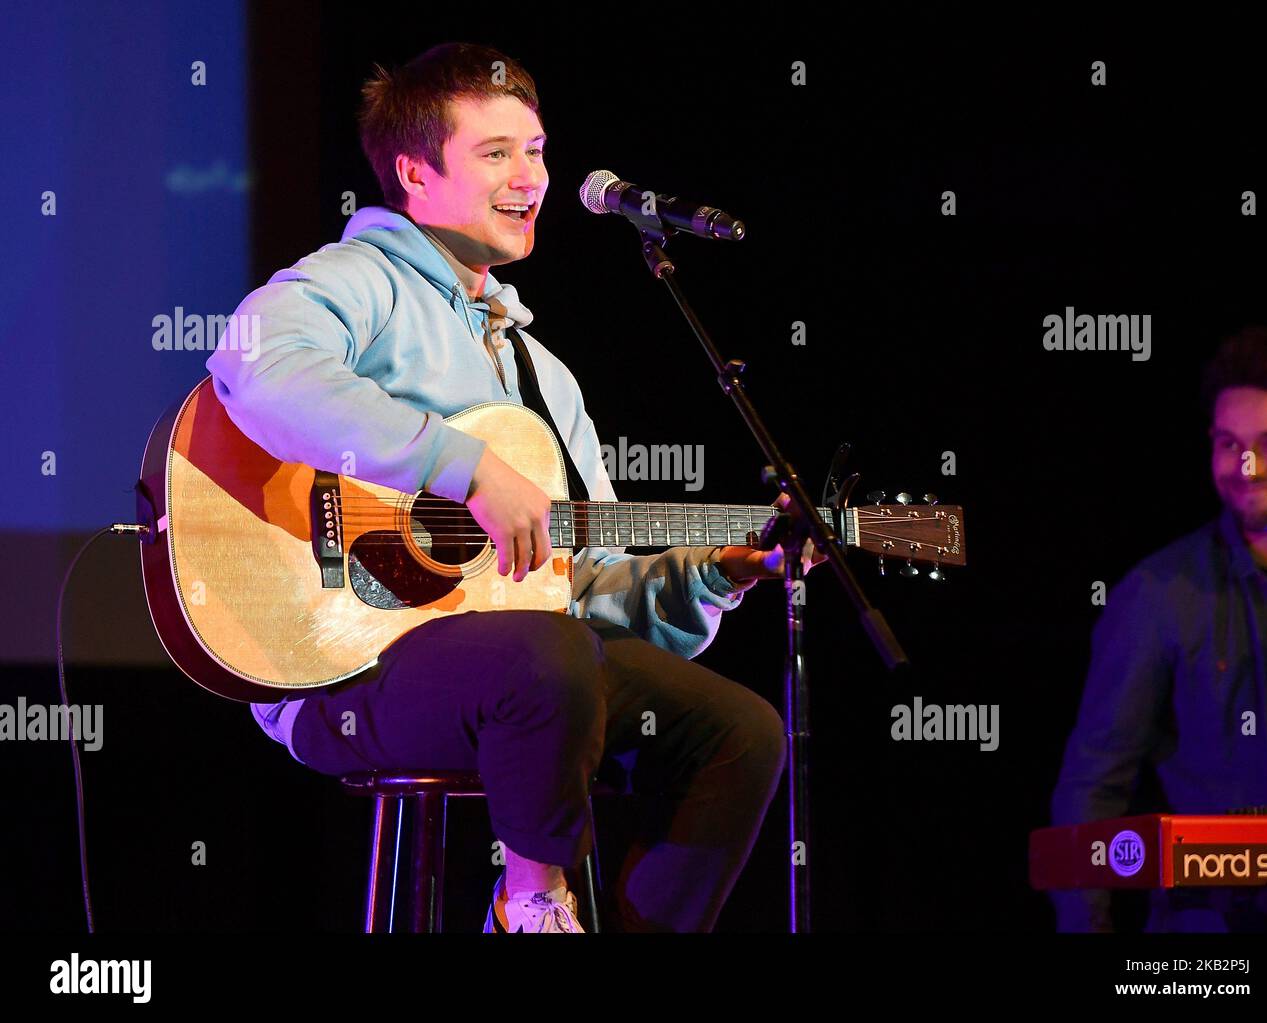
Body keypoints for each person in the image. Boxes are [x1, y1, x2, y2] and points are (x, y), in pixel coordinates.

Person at [204, 42, 822, 933]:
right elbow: (254, 366)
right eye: (496, 153)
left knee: (738, 729)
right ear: (415, 172)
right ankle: (532, 900)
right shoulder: (359, 283)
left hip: (527, 668)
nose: (529, 176)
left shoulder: (544, 375)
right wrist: (464, 466)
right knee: (545, 656)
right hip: (339, 669)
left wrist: (711, 573)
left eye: (535, 150)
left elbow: (581, 587)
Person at [1050, 326, 1267, 933]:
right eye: (1227, 442)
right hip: (1222, 932)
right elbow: (1092, 788)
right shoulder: (1158, 593)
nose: (1246, 466)